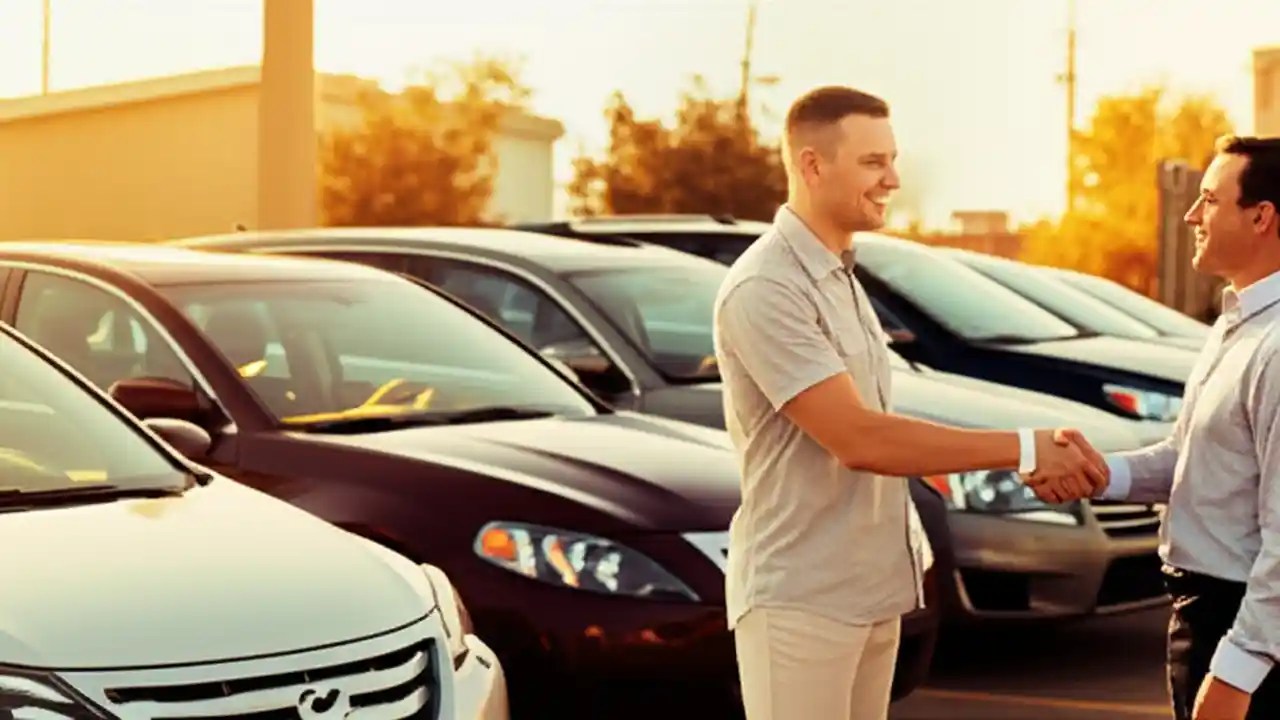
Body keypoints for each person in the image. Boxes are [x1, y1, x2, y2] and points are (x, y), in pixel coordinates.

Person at [712, 85, 1108, 720]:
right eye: (873, 162)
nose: (892, 179)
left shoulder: (840, 274)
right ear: (812, 165)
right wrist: (1026, 447)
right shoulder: (768, 287)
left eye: (892, 159)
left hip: (872, 590)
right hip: (802, 600)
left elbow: (883, 427)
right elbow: (861, 440)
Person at [1089, 135, 1280, 720]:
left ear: (1261, 216)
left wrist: (1238, 666)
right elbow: (1192, 458)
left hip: (1241, 627)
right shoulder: (1239, 324)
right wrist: (1099, 475)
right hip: (1206, 618)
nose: (1192, 215)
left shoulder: (1275, 344)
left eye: (1210, 199)